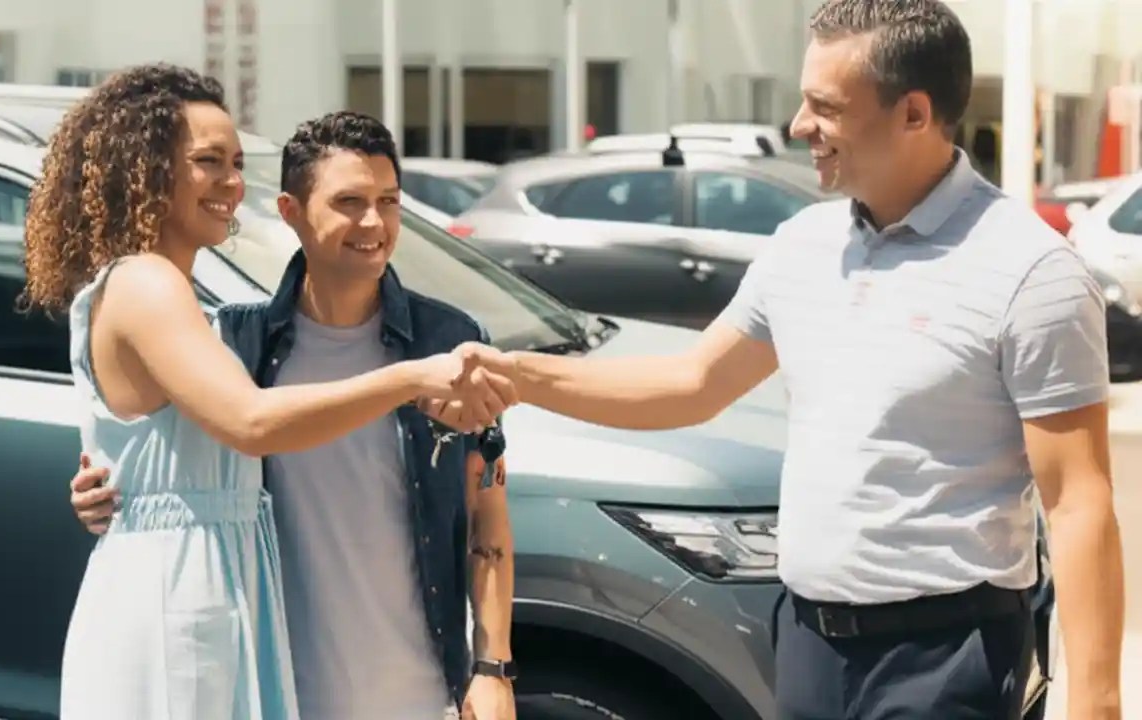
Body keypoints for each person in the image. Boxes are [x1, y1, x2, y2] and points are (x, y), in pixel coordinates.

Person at [446, 1, 1125, 718]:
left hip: (947, 658)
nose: (800, 126)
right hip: (806, 647)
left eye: (824, 106)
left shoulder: (1030, 271)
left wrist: (1098, 703)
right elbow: (693, 384)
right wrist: (519, 377)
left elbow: (1079, 502)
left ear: (915, 114)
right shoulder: (803, 244)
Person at [67, 110, 519, 720]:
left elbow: (487, 514)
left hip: (418, 694)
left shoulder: (447, 339)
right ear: (290, 211)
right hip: (270, 686)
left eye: (388, 201)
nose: (374, 222)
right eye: (350, 201)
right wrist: (108, 489)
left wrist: (492, 668)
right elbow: (173, 441)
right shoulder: (237, 345)